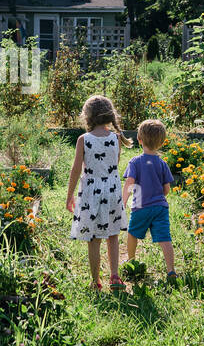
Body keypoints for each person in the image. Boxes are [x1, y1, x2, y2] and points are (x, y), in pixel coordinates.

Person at [66, 95, 126, 291]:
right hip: (112, 190)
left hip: (92, 192)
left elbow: (76, 170)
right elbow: (114, 164)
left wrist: (69, 196)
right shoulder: (116, 138)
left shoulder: (83, 140)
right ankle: (115, 277)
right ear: (110, 115)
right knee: (113, 235)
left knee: (93, 238)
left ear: (88, 116)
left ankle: (95, 281)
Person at [122, 119, 179, 287]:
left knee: (133, 233)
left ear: (139, 139)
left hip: (140, 207)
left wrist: (123, 202)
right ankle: (171, 270)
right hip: (160, 208)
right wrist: (158, 197)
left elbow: (129, 183)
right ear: (161, 143)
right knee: (164, 238)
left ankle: (131, 261)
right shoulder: (162, 163)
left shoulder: (135, 162)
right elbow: (166, 188)